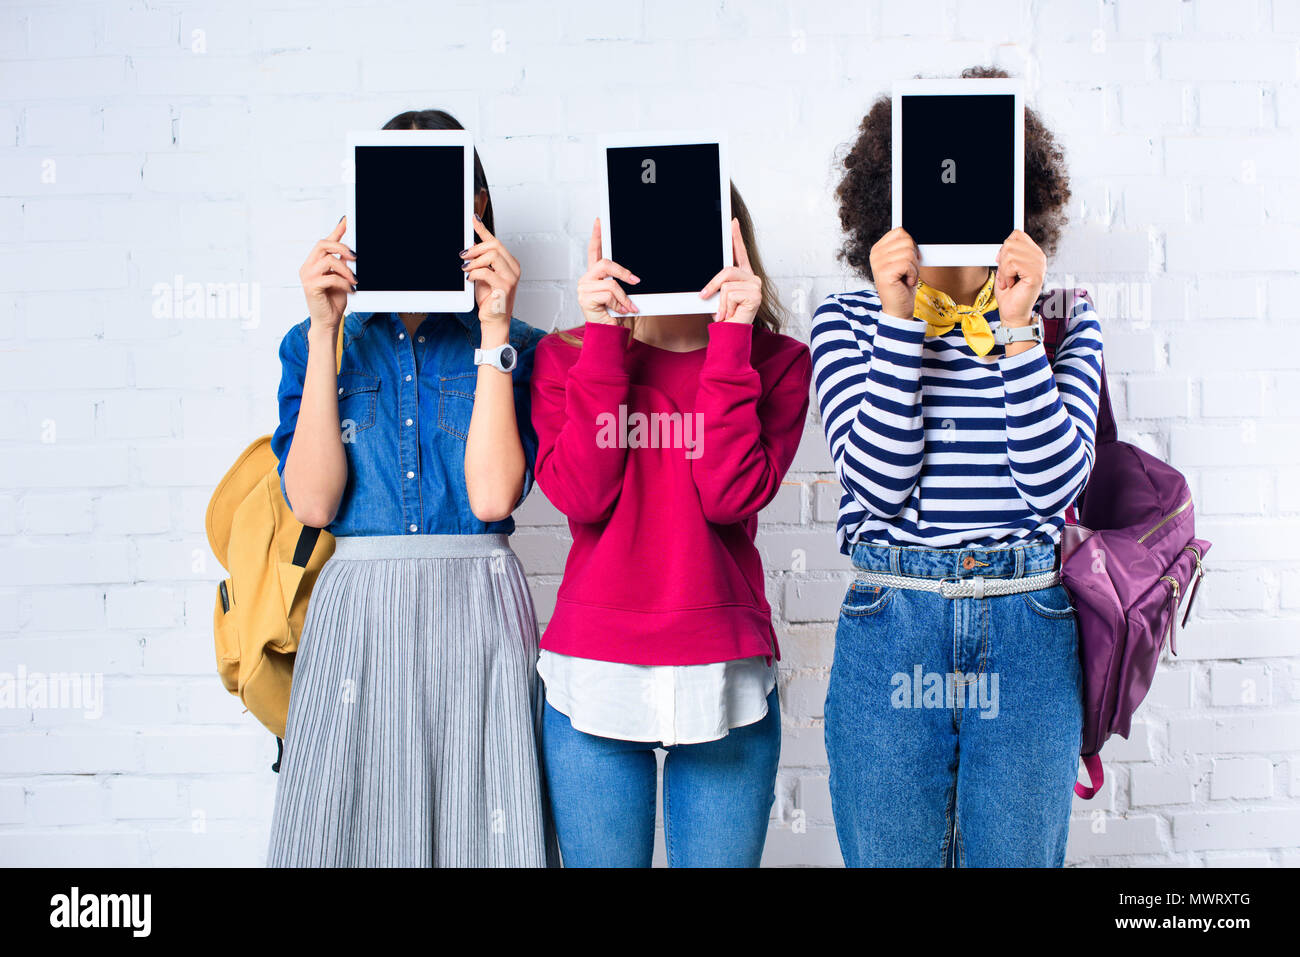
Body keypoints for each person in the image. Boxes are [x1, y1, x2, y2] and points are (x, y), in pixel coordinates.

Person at [812, 67, 1104, 867]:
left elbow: (1052, 486)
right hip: (892, 620)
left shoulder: (1064, 317)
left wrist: (1015, 332)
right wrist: (899, 324)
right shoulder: (845, 320)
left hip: (1027, 627)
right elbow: (877, 485)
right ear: (892, 186)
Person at [266, 109, 556, 867]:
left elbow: (493, 498)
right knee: (350, 836)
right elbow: (315, 504)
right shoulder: (315, 343)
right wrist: (326, 330)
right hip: (358, 611)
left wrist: (495, 330)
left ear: (476, 209)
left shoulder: (519, 347)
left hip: (477, 605)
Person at [530, 187, 812, 867]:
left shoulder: (776, 362)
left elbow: (728, 494)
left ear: (731, 239)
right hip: (593, 671)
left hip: (724, 671)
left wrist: (731, 338)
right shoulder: (565, 358)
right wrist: (603, 338)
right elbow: (581, 495)